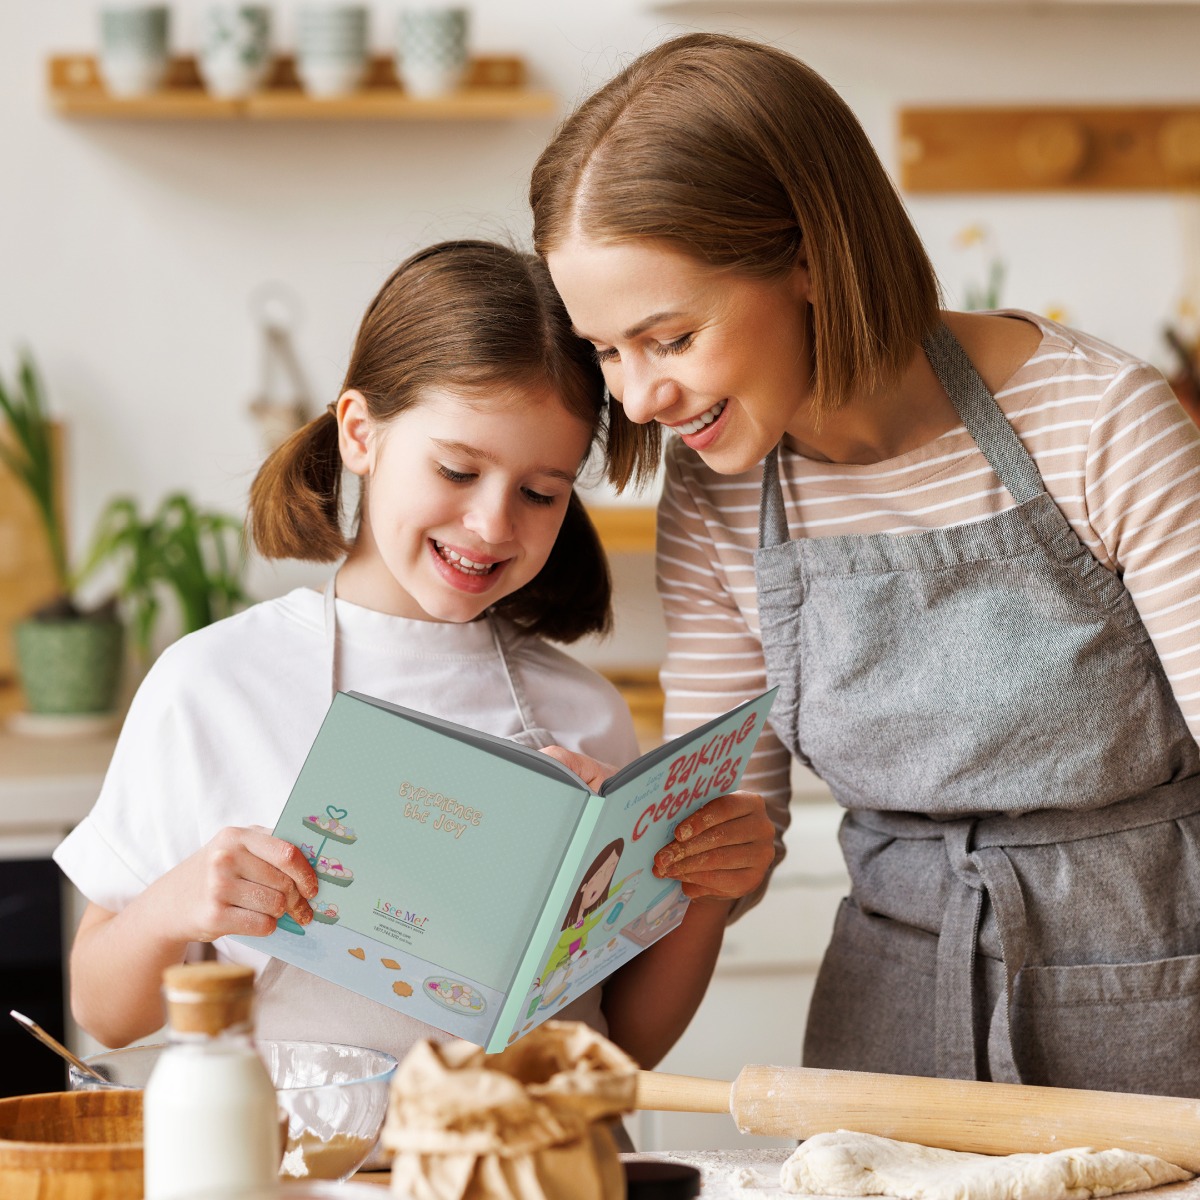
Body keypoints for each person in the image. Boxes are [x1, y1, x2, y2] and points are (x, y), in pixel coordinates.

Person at [530, 32, 1200, 1096]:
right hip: (885, 1026)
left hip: (1153, 1003)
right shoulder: (716, 492)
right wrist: (628, 840)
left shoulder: (1098, 422)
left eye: (671, 337)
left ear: (809, 257)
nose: (639, 400)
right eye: (606, 350)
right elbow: (733, 829)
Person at [54, 240, 776, 1072]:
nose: (493, 524)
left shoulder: (585, 712)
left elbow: (624, 1041)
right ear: (360, 433)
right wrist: (174, 908)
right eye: (457, 470)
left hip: (534, 1146)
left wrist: (705, 891)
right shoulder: (212, 685)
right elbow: (102, 1013)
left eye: (541, 493)